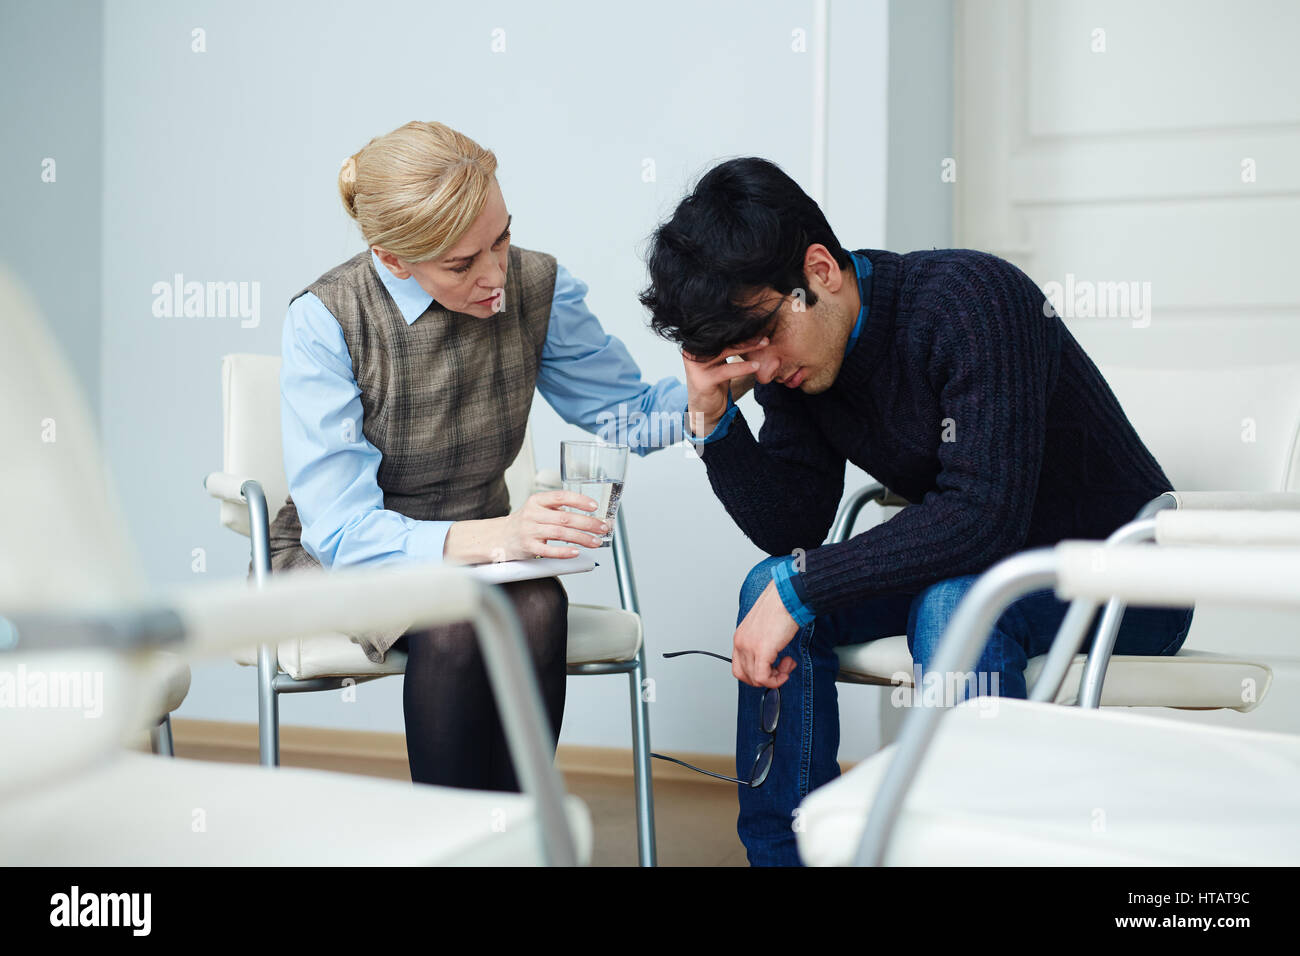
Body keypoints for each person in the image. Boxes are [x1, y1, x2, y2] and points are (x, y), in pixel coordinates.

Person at [639, 156, 1195, 866]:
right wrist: (714, 420)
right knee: (768, 584)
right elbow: (795, 527)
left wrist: (804, 587)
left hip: (1125, 577)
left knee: (954, 606)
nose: (765, 370)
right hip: (986, 565)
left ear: (820, 270)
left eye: (764, 342)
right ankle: (786, 858)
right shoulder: (795, 364)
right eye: (740, 358)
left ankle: (982, 853)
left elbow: (981, 514)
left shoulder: (974, 300)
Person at [265, 120, 701, 793]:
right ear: (392, 258)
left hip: (487, 559)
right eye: (462, 264)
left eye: (501, 238)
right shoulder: (327, 320)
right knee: (460, 617)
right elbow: (343, 532)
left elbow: (630, 416)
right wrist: (504, 533)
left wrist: (715, 390)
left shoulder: (536, 286)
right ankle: (460, 843)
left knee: (535, 604)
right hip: (344, 559)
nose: (496, 275)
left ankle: (515, 836)